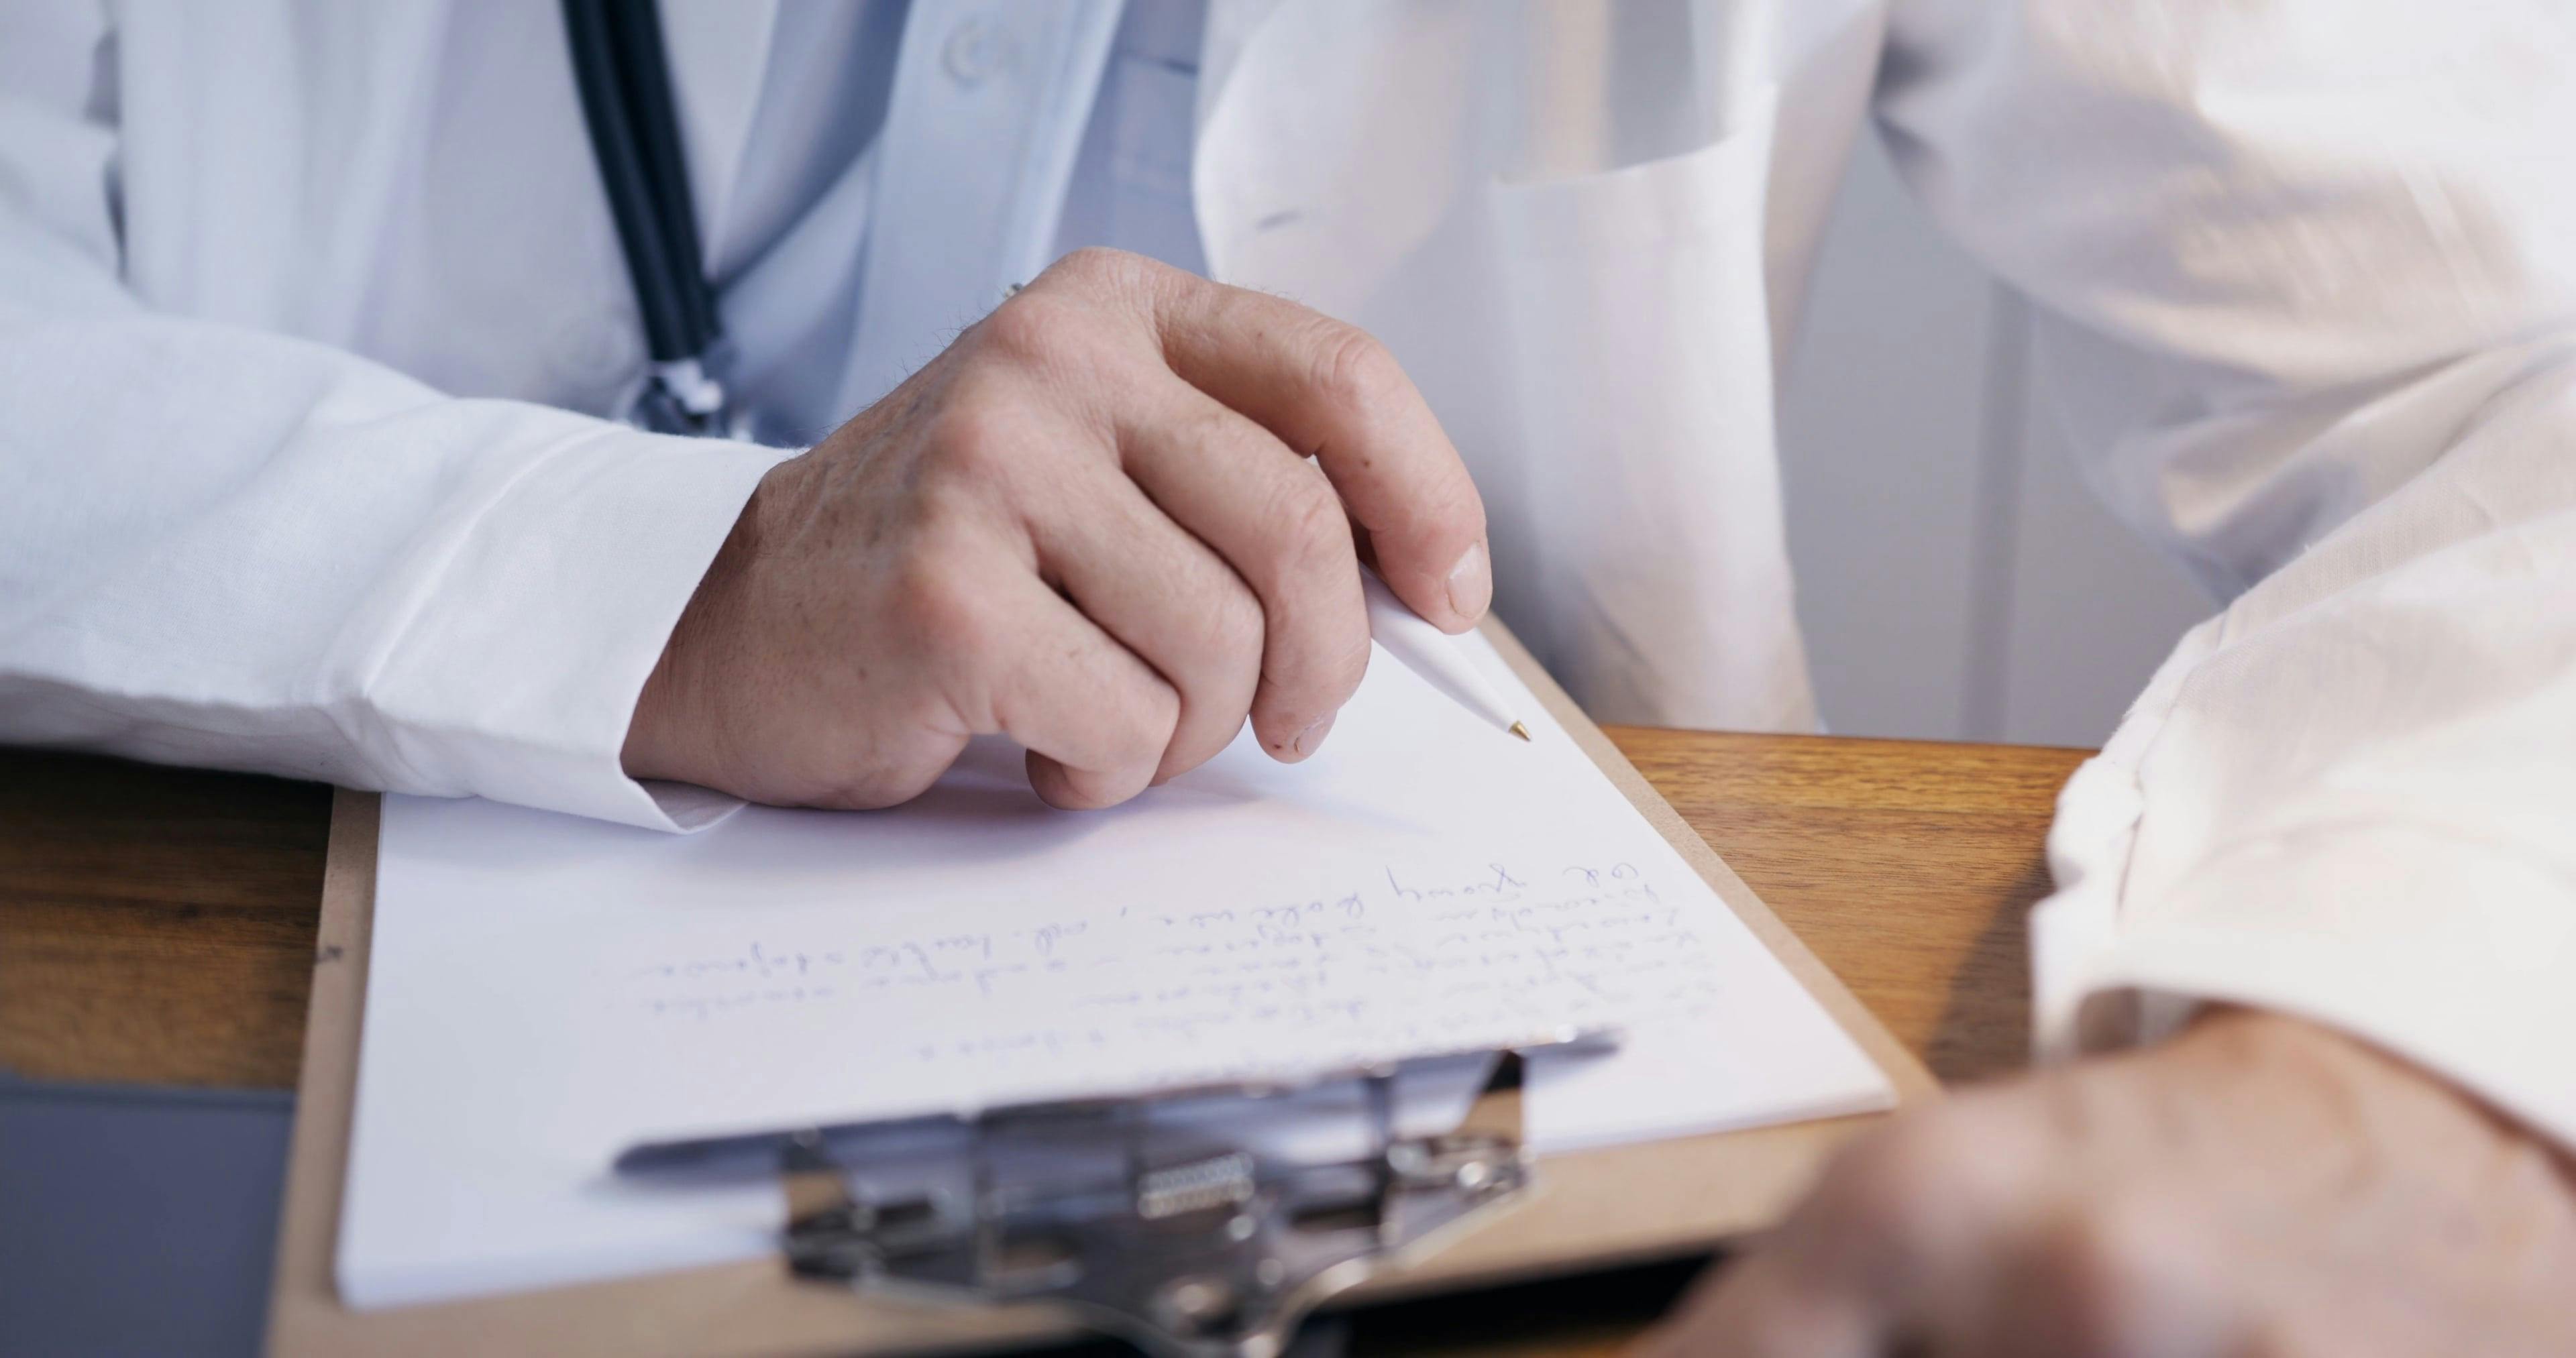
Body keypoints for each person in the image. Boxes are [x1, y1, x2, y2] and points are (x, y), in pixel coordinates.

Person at [3, 1, 2570, 1349]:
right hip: (235, 1103)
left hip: (1530, 1206)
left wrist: (2426, 1059)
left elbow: (2512, 351)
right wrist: (676, 573)